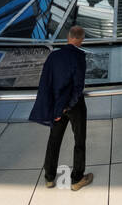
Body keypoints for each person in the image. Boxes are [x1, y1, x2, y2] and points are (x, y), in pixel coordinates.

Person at [31, 26, 93, 190]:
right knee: (79, 140)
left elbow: (46, 82)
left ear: (68, 37)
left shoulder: (54, 56)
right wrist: (69, 106)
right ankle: (77, 179)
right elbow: (78, 85)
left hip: (57, 106)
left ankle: (49, 177)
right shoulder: (79, 57)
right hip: (74, 106)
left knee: (54, 140)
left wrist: (57, 108)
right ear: (81, 39)